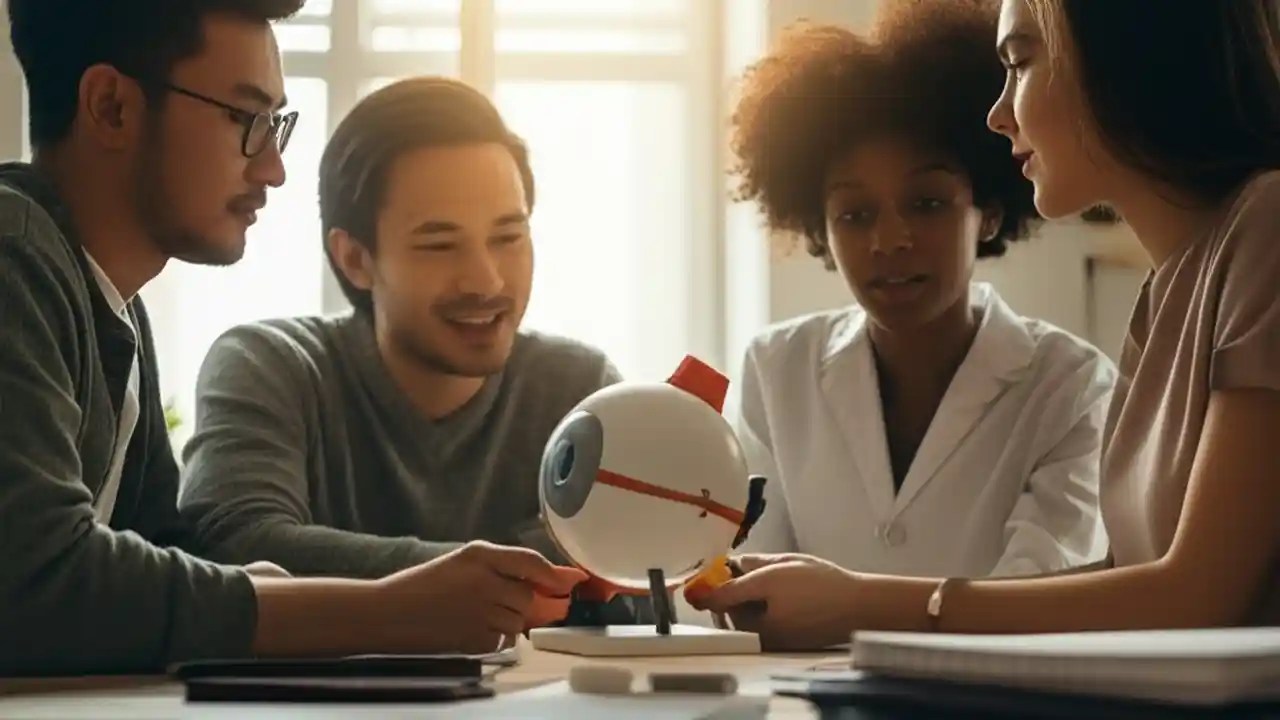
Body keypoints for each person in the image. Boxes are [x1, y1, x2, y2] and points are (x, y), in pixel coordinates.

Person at [0, 0, 585, 675]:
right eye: (246, 121)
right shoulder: (16, 257)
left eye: (275, 124)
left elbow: (170, 553)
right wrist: (384, 610)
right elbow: (36, 578)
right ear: (110, 107)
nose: (273, 167)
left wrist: (268, 585)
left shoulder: (114, 310)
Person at [689, 0, 1280, 651]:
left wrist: (862, 601)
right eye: (855, 215)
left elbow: (1195, 597)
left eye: (1021, 62)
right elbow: (1127, 585)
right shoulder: (1166, 291)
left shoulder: (1265, 226)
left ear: (1118, 57)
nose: (999, 114)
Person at [176, 77, 643, 624]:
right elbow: (231, 545)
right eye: (439, 245)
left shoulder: (577, 389)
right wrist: (475, 577)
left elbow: (627, 578)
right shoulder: (271, 365)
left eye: (508, 237)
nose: (485, 280)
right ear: (354, 259)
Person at [725, 0, 1114, 580]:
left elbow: (1036, 606)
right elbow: (753, 586)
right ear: (819, 228)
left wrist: (849, 607)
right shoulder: (774, 371)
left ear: (986, 211)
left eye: (926, 203)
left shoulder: (1072, 387)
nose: (889, 240)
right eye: (855, 214)